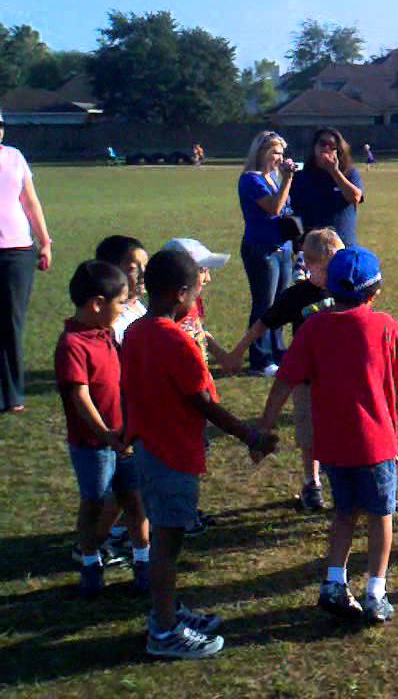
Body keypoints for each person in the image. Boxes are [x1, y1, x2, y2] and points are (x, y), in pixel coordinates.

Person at [122, 249, 277, 659]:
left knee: (166, 541)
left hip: (149, 449)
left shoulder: (136, 331)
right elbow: (204, 403)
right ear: (179, 294)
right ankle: (164, 629)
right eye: (193, 292)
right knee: (168, 546)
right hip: (170, 453)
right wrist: (251, 436)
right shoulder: (175, 341)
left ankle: (168, 612)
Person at [259, 246, 398, 624]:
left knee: (345, 513)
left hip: (331, 445)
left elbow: (284, 381)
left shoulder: (313, 327)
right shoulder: (385, 326)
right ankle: (375, 592)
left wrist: (264, 426)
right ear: (374, 291)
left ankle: (333, 583)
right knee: (381, 516)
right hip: (375, 444)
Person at [223, 229, 344, 511]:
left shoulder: (345, 288)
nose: (333, 273)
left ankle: (341, 478)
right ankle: (311, 483)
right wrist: (238, 351)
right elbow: (264, 323)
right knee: (308, 431)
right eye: (326, 268)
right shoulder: (298, 295)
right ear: (310, 264)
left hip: (340, 374)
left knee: (339, 427)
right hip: (306, 377)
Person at [56, 261, 150, 597]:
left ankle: (143, 561)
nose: (125, 307)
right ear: (97, 303)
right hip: (93, 445)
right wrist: (105, 434)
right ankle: (90, 561)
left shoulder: (108, 335)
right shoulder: (73, 344)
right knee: (94, 502)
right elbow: (80, 396)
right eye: (121, 301)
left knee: (134, 501)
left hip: (123, 438)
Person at [0, 111, 53, 413]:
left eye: (1, 126)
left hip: (18, 251)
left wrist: (45, 241)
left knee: (11, 323)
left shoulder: (16, 158)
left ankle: (13, 394)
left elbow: (30, 202)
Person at [238, 131, 297, 376]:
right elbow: (274, 208)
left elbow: (287, 208)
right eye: (274, 152)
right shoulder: (251, 180)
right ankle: (260, 359)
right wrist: (287, 180)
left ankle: (277, 350)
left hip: (283, 247)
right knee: (265, 304)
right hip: (261, 248)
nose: (279, 158)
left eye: (282, 153)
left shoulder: (273, 177)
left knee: (282, 304)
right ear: (260, 152)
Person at [161, 238, 232, 371]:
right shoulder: (162, 312)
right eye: (202, 271)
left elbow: (197, 328)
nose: (208, 278)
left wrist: (221, 355)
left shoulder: (192, 300)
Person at [290, 128, 364, 249]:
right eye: (322, 143)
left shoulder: (349, 173)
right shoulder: (301, 176)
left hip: (341, 243)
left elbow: (355, 197)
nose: (326, 148)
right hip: (310, 245)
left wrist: (334, 171)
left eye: (332, 146)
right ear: (314, 147)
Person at [94, 236, 148, 344]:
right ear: (111, 271)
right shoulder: (111, 322)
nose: (143, 274)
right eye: (133, 268)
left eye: (145, 266)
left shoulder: (136, 306)